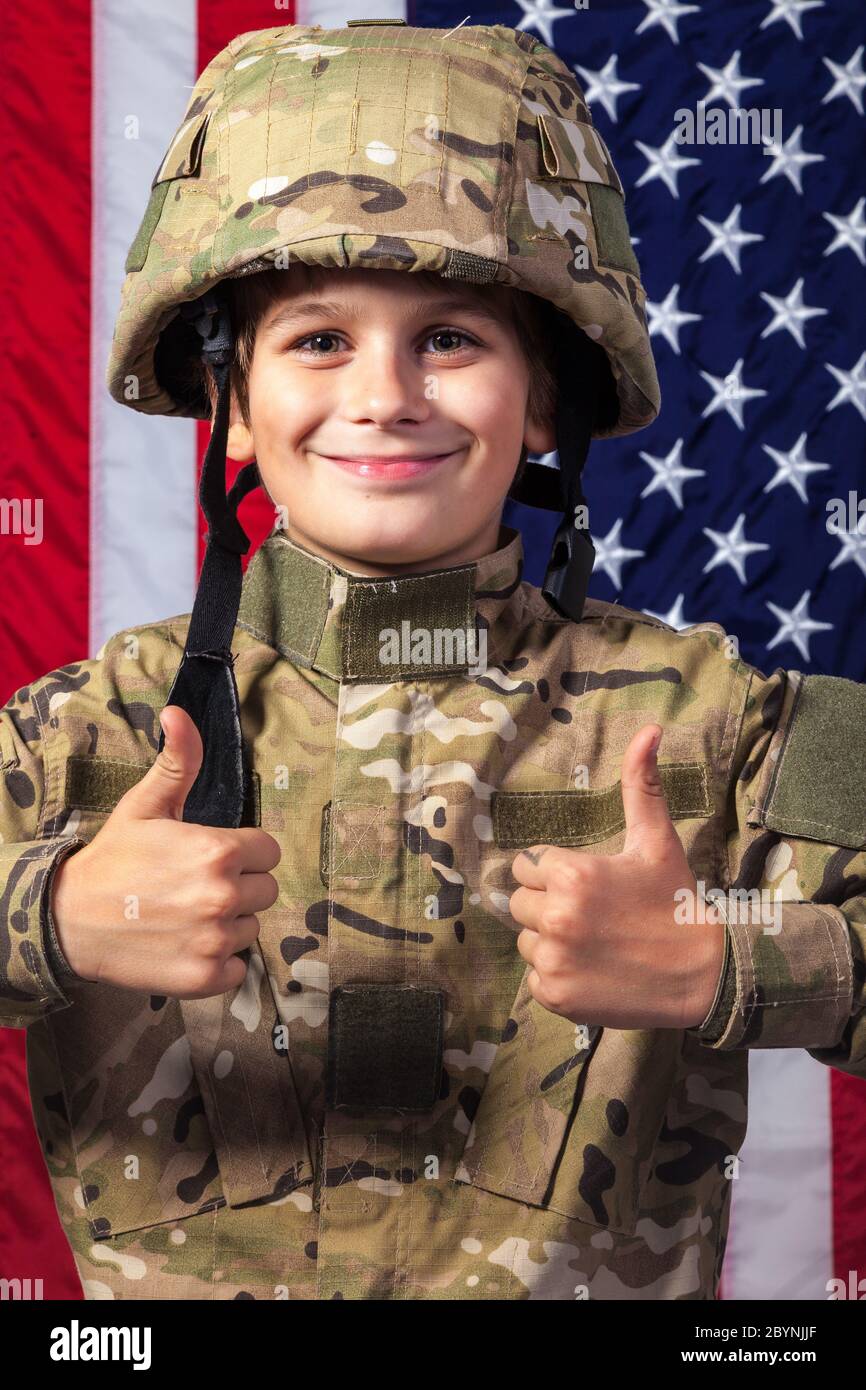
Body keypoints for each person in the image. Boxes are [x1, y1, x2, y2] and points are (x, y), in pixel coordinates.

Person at [1, 19, 863, 1301]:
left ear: (545, 398)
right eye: (315, 340)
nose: (385, 394)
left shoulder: (718, 721)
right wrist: (55, 915)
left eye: (450, 339)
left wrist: (721, 954)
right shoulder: (83, 735)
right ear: (230, 403)